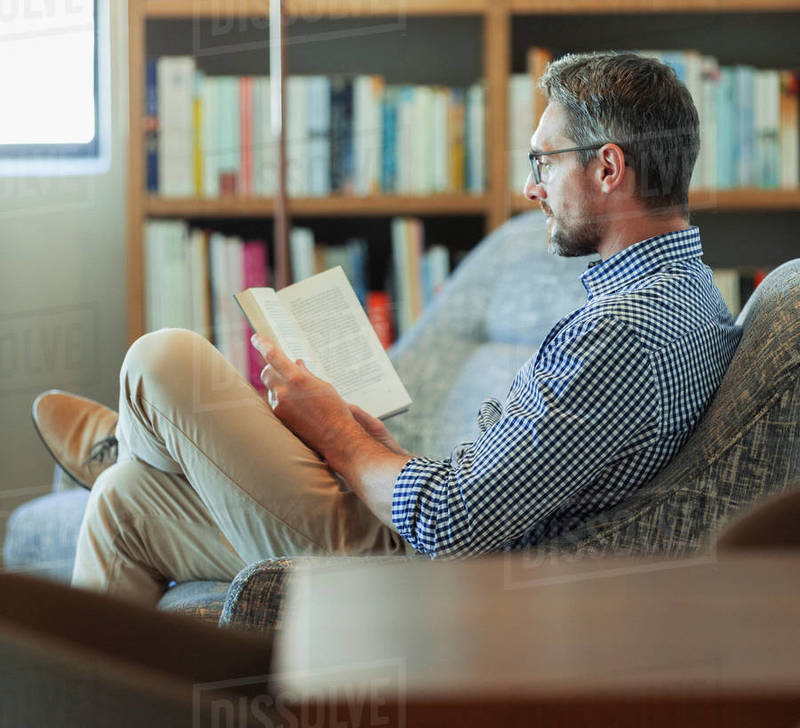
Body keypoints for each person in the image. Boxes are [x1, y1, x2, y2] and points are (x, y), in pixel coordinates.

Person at [32, 51, 741, 605]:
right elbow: (498, 481)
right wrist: (375, 444)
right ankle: (140, 457)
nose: (532, 187)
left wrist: (336, 437)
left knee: (163, 361)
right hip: (433, 539)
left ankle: (139, 439)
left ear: (608, 168)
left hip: (429, 578)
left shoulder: (623, 332)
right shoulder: (688, 293)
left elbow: (453, 524)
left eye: (543, 161)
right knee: (124, 504)